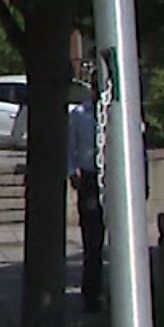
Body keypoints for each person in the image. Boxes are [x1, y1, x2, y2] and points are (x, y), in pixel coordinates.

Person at [70, 92, 104, 314]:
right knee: (92, 242)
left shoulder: (116, 112)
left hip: (113, 175)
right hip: (90, 178)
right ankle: (91, 294)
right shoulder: (80, 115)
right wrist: (72, 172)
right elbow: (70, 145)